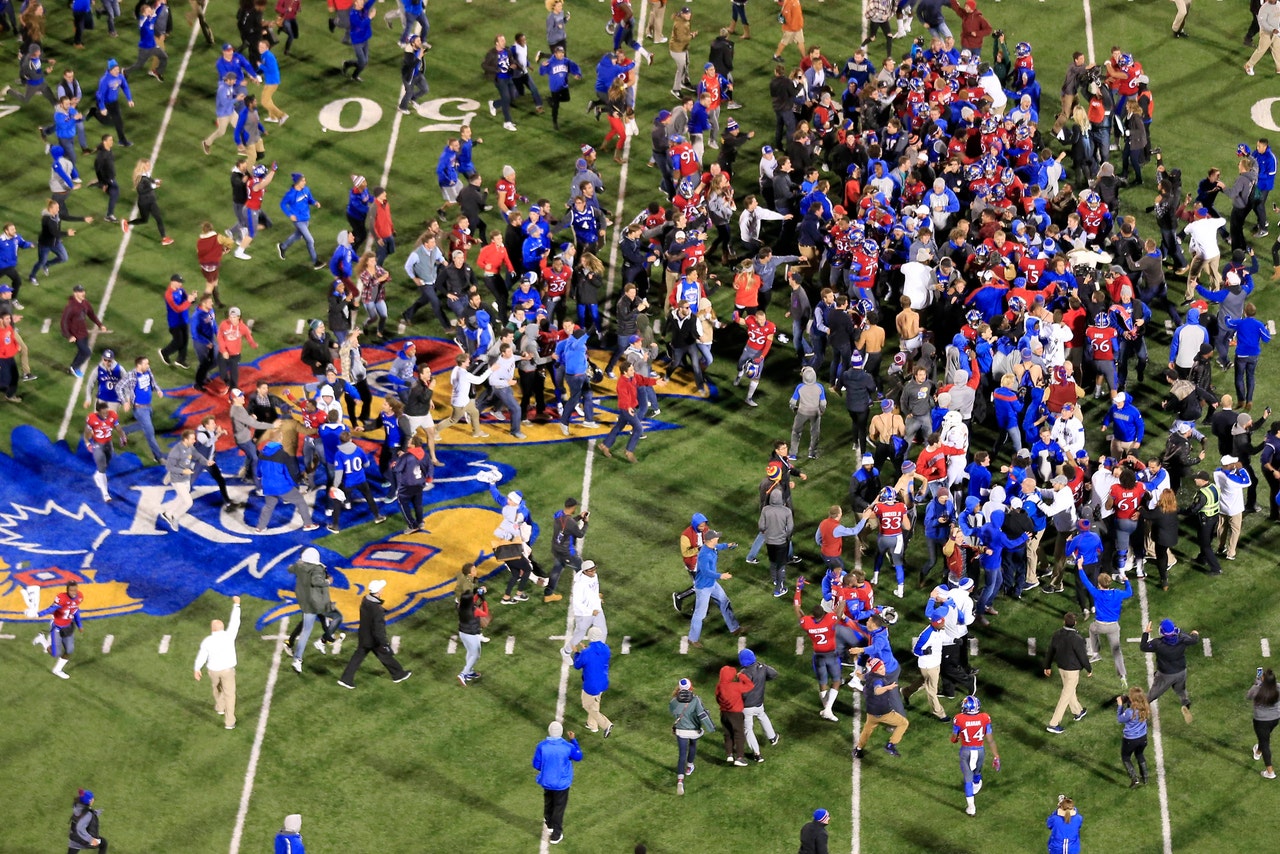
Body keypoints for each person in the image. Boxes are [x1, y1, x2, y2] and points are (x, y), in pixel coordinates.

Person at [337, 579, 412, 688]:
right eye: (381, 588)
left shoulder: (365, 600)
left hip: (363, 634)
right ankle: (398, 674)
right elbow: (378, 629)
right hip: (373, 638)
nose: (383, 590)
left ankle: (346, 679)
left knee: (358, 657)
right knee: (385, 655)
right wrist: (384, 643)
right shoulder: (377, 609)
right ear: (378, 592)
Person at [193, 595, 241, 730]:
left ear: (212, 629)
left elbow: (201, 656)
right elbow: (235, 622)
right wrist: (236, 605)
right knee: (230, 695)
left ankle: (220, 707)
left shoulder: (207, 640)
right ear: (222, 628)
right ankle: (229, 721)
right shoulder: (229, 635)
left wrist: (197, 669)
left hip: (213, 671)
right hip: (227, 670)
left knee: (217, 688)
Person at [532, 721, 583, 846]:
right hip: (561, 784)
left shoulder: (542, 746)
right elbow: (578, 756)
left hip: (547, 781)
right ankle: (556, 835)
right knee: (559, 808)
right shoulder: (567, 746)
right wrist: (574, 741)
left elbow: (536, 764)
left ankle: (549, 824)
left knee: (548, 802)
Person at [687, 529, 740, 647]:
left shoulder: (712, 546)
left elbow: (719, 546)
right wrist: (721, 576)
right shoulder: (704, 555)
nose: (718, 538)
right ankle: (692, 638)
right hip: (704, 587)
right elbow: (706, 572)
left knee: (724, 601)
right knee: (700, 614)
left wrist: (728, 545)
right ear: (711, 540)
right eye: (716, 537)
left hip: (712, 583)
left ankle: (735, 628)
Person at [952, 694, 1002, 816]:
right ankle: (977, 783)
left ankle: (971, 807)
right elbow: (990, 739)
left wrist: (956, 737)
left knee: (967, 779)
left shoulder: (959, 718)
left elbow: (954, 738)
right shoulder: (985, 717)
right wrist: (996, 756)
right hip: (980, 751)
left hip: (966, 751)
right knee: (977, 772)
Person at [1141, 618, 1199, 723]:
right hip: (1181, 671)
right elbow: (1194, 639)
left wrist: (1146, 633)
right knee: (1180, 689)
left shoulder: (1157, 643)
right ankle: (1185, 702)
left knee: (1153, 693)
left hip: (1166, 675)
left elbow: (1143, 647)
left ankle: (1140, 707)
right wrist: (1194, 633)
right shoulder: (1182, 639)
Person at [1079, 571, 1132, 685]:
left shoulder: (1097, 593)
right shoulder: (1117, 593)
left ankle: (1096, 653)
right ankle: (1122, 675)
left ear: (1099, 584)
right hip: (1113, 627)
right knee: (1117, 651)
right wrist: (1126, 581)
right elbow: (1129, 592)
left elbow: (1085, 581)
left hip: (1099, 625)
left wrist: (1079, 567)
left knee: (1092, 629)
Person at [1043, 611, 1092, 734]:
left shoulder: (1057, 634)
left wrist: (1047, 666)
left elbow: (1050, 651)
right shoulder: (1077, 638)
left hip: (1061, 668)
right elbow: (1082, 656)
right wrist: (1088, 668)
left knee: (1070, 691)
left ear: (1064, 622)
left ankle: (1078, 711)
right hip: (1072, 670)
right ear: (1075, 623)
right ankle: (1053, 724)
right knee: (1065, 696)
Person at [853, 657, 909, 759]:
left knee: (867, 731)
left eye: (883, 667)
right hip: (884, 713)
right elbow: (877, 690)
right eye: (880, 668)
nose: (883, 670)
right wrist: (888, 687)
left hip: (871, 713)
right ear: (875, 670)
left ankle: (858, 749)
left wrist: (857, 674)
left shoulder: (869, 675)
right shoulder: (878, 680)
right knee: (903, 723)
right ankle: (891, 745)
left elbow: (862, 677)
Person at [669, 677, 716, 795]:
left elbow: (673, 712)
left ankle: (680, 781)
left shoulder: (674, 701)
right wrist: (711, 728)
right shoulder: (695, 700)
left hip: (681, 731)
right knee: (693, 746)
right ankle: (689, 767)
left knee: (681, 755)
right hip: (694, 731)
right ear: (690, 687)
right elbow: (702, 715)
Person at [33, 581, 85, 679]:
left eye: (75, 590)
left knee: (69, 650)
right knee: (55, 653)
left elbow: (76, 610)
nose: (73, 592)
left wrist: (79, 624)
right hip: (57, 625)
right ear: (67, 590)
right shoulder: (61, 598)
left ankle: (57, 670)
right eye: (71, 590)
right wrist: (38, 614)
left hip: (68, 626)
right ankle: (42, 640)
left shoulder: (80, 596)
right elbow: (51, 609)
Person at [61, 284, 109, 378]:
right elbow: (64, 322)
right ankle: (74, 367)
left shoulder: (85, 303)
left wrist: (100, 325)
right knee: (87, 352)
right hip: (76, 334)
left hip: (84, 332)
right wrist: (69, 336)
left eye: (83, 291)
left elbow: (91, 315)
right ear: (75, 293)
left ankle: (72, 367)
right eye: (80, 291)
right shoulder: (70, 307)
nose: (83, 293)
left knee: (81, 352)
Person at [573, 626, 613, 737]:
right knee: (595, 702)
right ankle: (592, 725)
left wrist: (577, 653)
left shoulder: (586, 653)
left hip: (591, 685)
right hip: (603, 682)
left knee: (587, 706)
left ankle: (606, 725)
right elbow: (597, 659)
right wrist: (586, 650)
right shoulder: (606, 648)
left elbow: (577, 665)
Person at [715, 663, 755, 766]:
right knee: (739, 735)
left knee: (728, 734)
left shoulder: (719, 686)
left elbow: (717, 699)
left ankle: (729, 755)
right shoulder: (735, 686)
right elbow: (750, 685)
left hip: (724, 714)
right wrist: (741, 676)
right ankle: (740, 757)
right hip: (736, 714)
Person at [564, 559, 606, 652]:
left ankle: (598, 653)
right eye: (591, 570)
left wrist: (598, 598)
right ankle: (566, 651)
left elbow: (594, 590)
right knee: (579, 635)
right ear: (585, 571)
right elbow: (577, 603)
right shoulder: (579, 585)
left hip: (597, 609)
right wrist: (591, 611)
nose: (594, 572)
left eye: (594, 569)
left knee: (603, 632)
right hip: (584, 614)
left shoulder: (595, 576)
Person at [456, 564, 486, 686]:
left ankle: (469, 672)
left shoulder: (463, 607)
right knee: (476, 654)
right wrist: (482, 597)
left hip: (462, 632)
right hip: (471, 633)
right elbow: (485, 612)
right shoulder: (473, 610)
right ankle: (464, 673)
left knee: (470, 652)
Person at [1249, 667, 1280, 779]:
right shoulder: (1278, 687)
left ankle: (1270, 772)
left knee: (1265, 742)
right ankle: (1257, 752)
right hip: (1275, 719)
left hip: (1261, 720)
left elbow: (1249, 696)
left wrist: (1256, 684)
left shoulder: (1257, 689)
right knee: (1264, 738)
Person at [1116, 686, 1150, 787]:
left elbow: (1120, 719)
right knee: (1139, 754)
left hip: (1130, 739)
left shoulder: (1130, 712)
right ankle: (1145, 777)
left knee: (1126, 757)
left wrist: (1120, 705)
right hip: (1143, 737)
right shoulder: (1145, 706)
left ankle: (1134, 779)